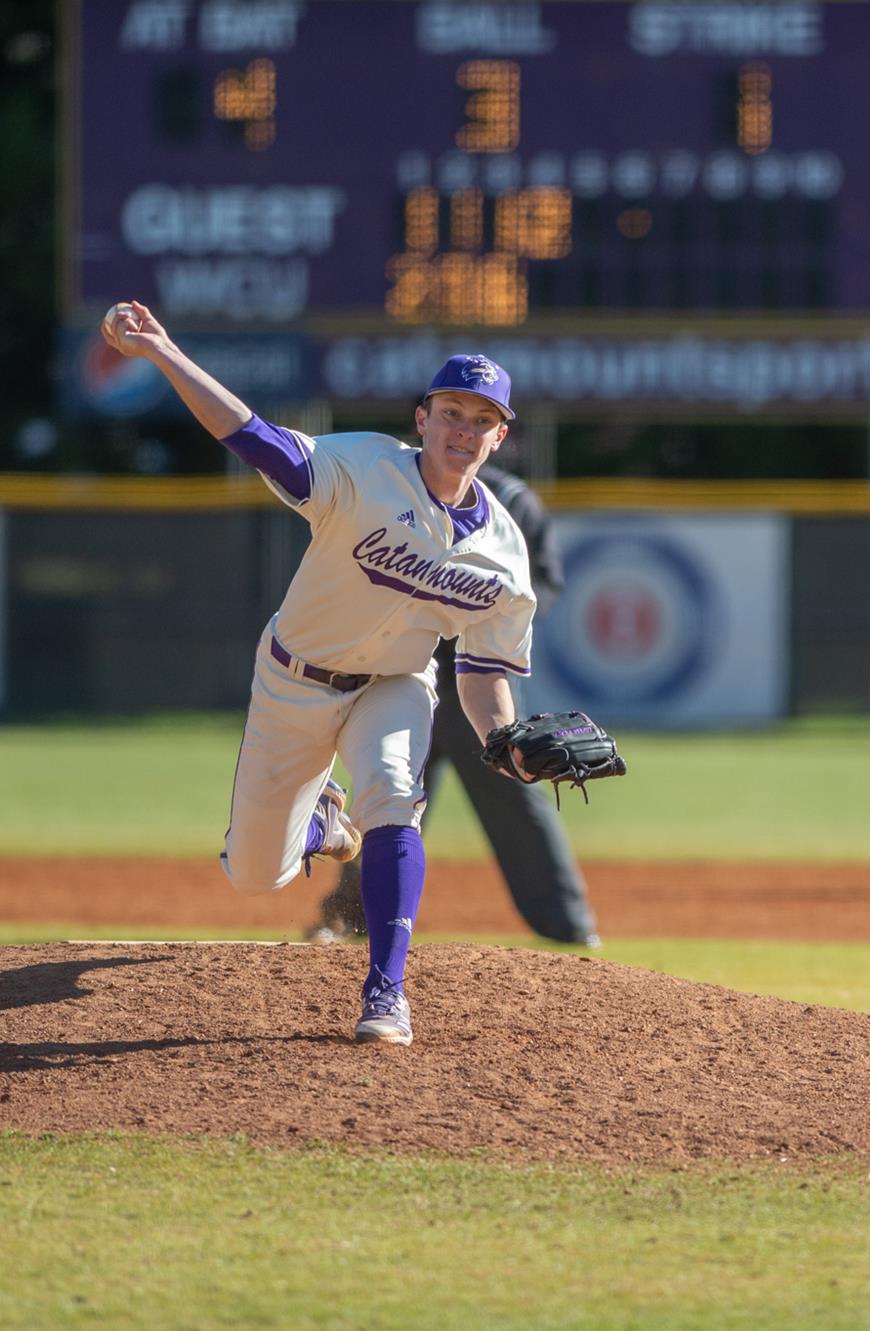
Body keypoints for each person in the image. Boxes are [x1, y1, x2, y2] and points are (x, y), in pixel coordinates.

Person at [100, 298, 541, 1047]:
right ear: (423, 418)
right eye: (452, 413)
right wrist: (166, 352)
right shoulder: (360, 469)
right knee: (253, 873)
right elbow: (252, 436)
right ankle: (322, 825)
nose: (465, 430)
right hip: (294, 679)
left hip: (396, 684)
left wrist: (505, 738)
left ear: (500, 437)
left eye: (481, 419)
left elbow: (482, 668)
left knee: (396, 799)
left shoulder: (504, 551)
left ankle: (386, 992)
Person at [311, 461, 602, 947]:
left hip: (479, 681)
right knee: (386, 797)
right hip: (403, 675)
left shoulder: (512, 500)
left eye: (480, 425)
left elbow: (544, 584)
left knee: (516, 795)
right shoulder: (399, 489)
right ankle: (353, 920)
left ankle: (569, 927)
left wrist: (498, 622)